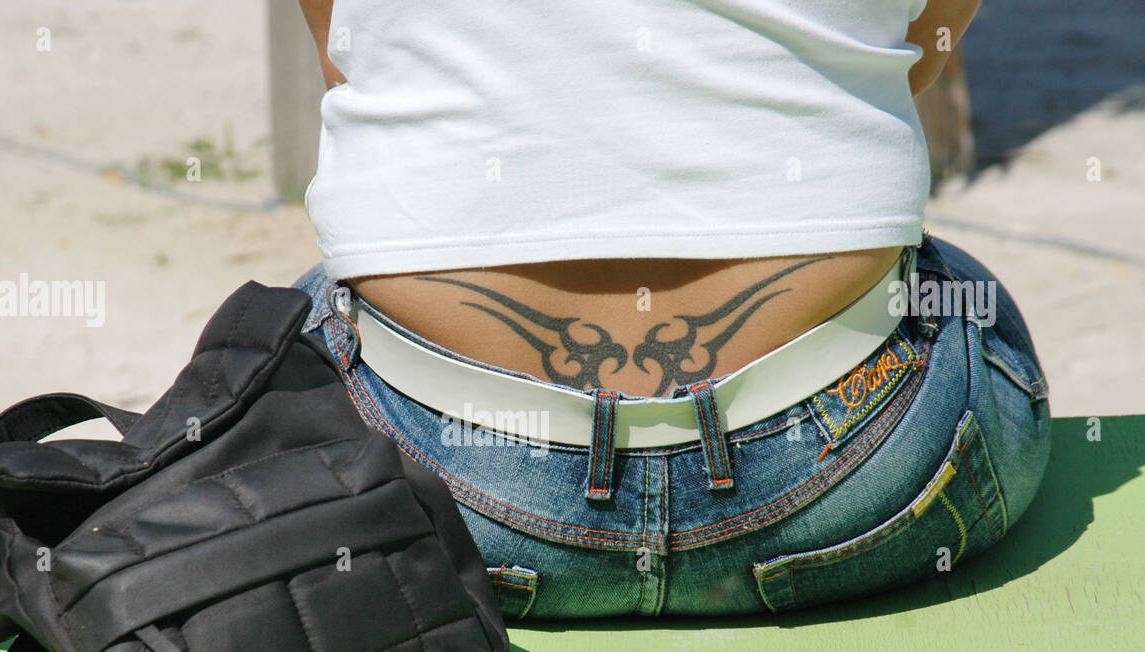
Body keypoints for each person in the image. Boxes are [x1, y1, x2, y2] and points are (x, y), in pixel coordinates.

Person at [290, 0, 1051, 618]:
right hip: (862, 474)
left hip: (436, 479)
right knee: (959, 294)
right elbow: (917, 48)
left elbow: (351, 59)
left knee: (302, 317)